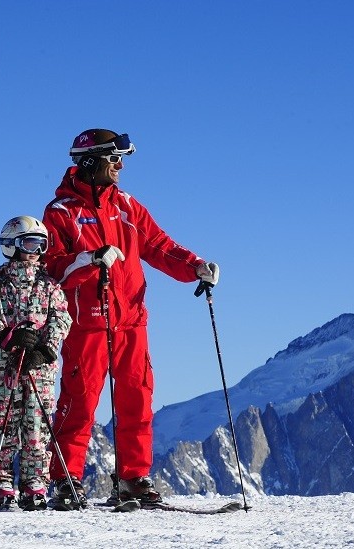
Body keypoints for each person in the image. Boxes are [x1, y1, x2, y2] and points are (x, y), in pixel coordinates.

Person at [41, 128, 219, 508]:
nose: (121, 166)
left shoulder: (127, 205)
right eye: (114, 159)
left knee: (137, 398)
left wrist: (197, 267)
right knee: (80, 400)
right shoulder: (61, 213)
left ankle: (132, 478)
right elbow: (51, 267)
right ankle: (65, 480)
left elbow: (159, 245)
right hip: (87, 322)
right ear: (91, 161)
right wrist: (88, 260)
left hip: (131, 320)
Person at [0, 215, 71, 511]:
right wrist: (6, 336)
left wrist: (47, 348)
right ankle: (1, 481)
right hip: (7, 366)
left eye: (42, 245)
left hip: (40, 369)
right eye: (30, 243)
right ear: (11, 245)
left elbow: (61, 318)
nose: (36, 251)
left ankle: (35, 481)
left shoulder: (49, 286)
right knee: (5, 420)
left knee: (37, 423)